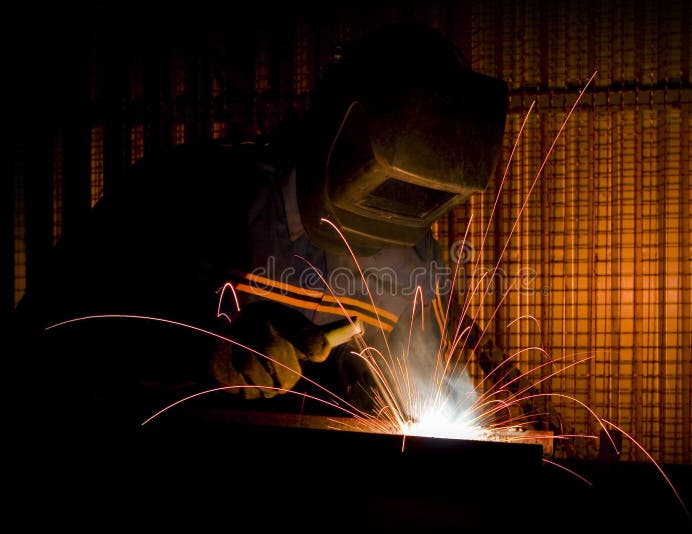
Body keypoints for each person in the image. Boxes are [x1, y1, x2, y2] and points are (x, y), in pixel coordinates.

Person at [11, 23, 510, 439]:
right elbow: (45, 341)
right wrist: (201, 353)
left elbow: (412, 391)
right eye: (385, 184)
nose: (395, 215)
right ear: (341, 127)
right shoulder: (188, 193)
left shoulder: (421, 262)